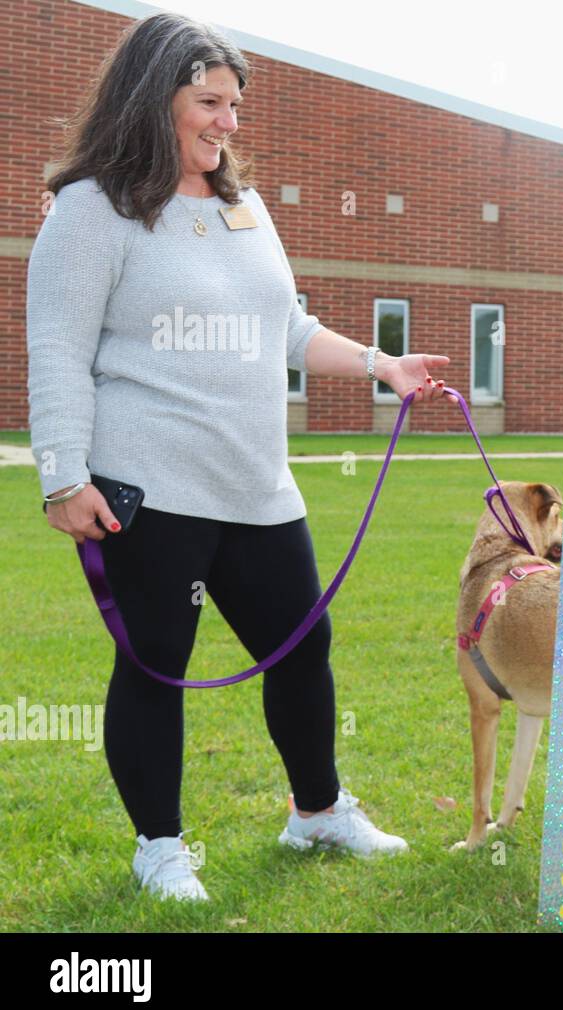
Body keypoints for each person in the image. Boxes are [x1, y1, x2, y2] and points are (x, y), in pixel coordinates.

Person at [27, 12, 450, 902]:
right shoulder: (92, 207)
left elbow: (284, 328)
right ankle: (161, 848)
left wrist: (382, 364)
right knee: (156, 664)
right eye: (209, 102)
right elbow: (57, 348)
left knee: (303, 646)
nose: (228, 122)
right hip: (150, 487)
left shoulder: (242, 207)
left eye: (236, 105)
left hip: (257, 482)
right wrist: (64, 476)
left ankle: (317, 811)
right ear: (154, 100)